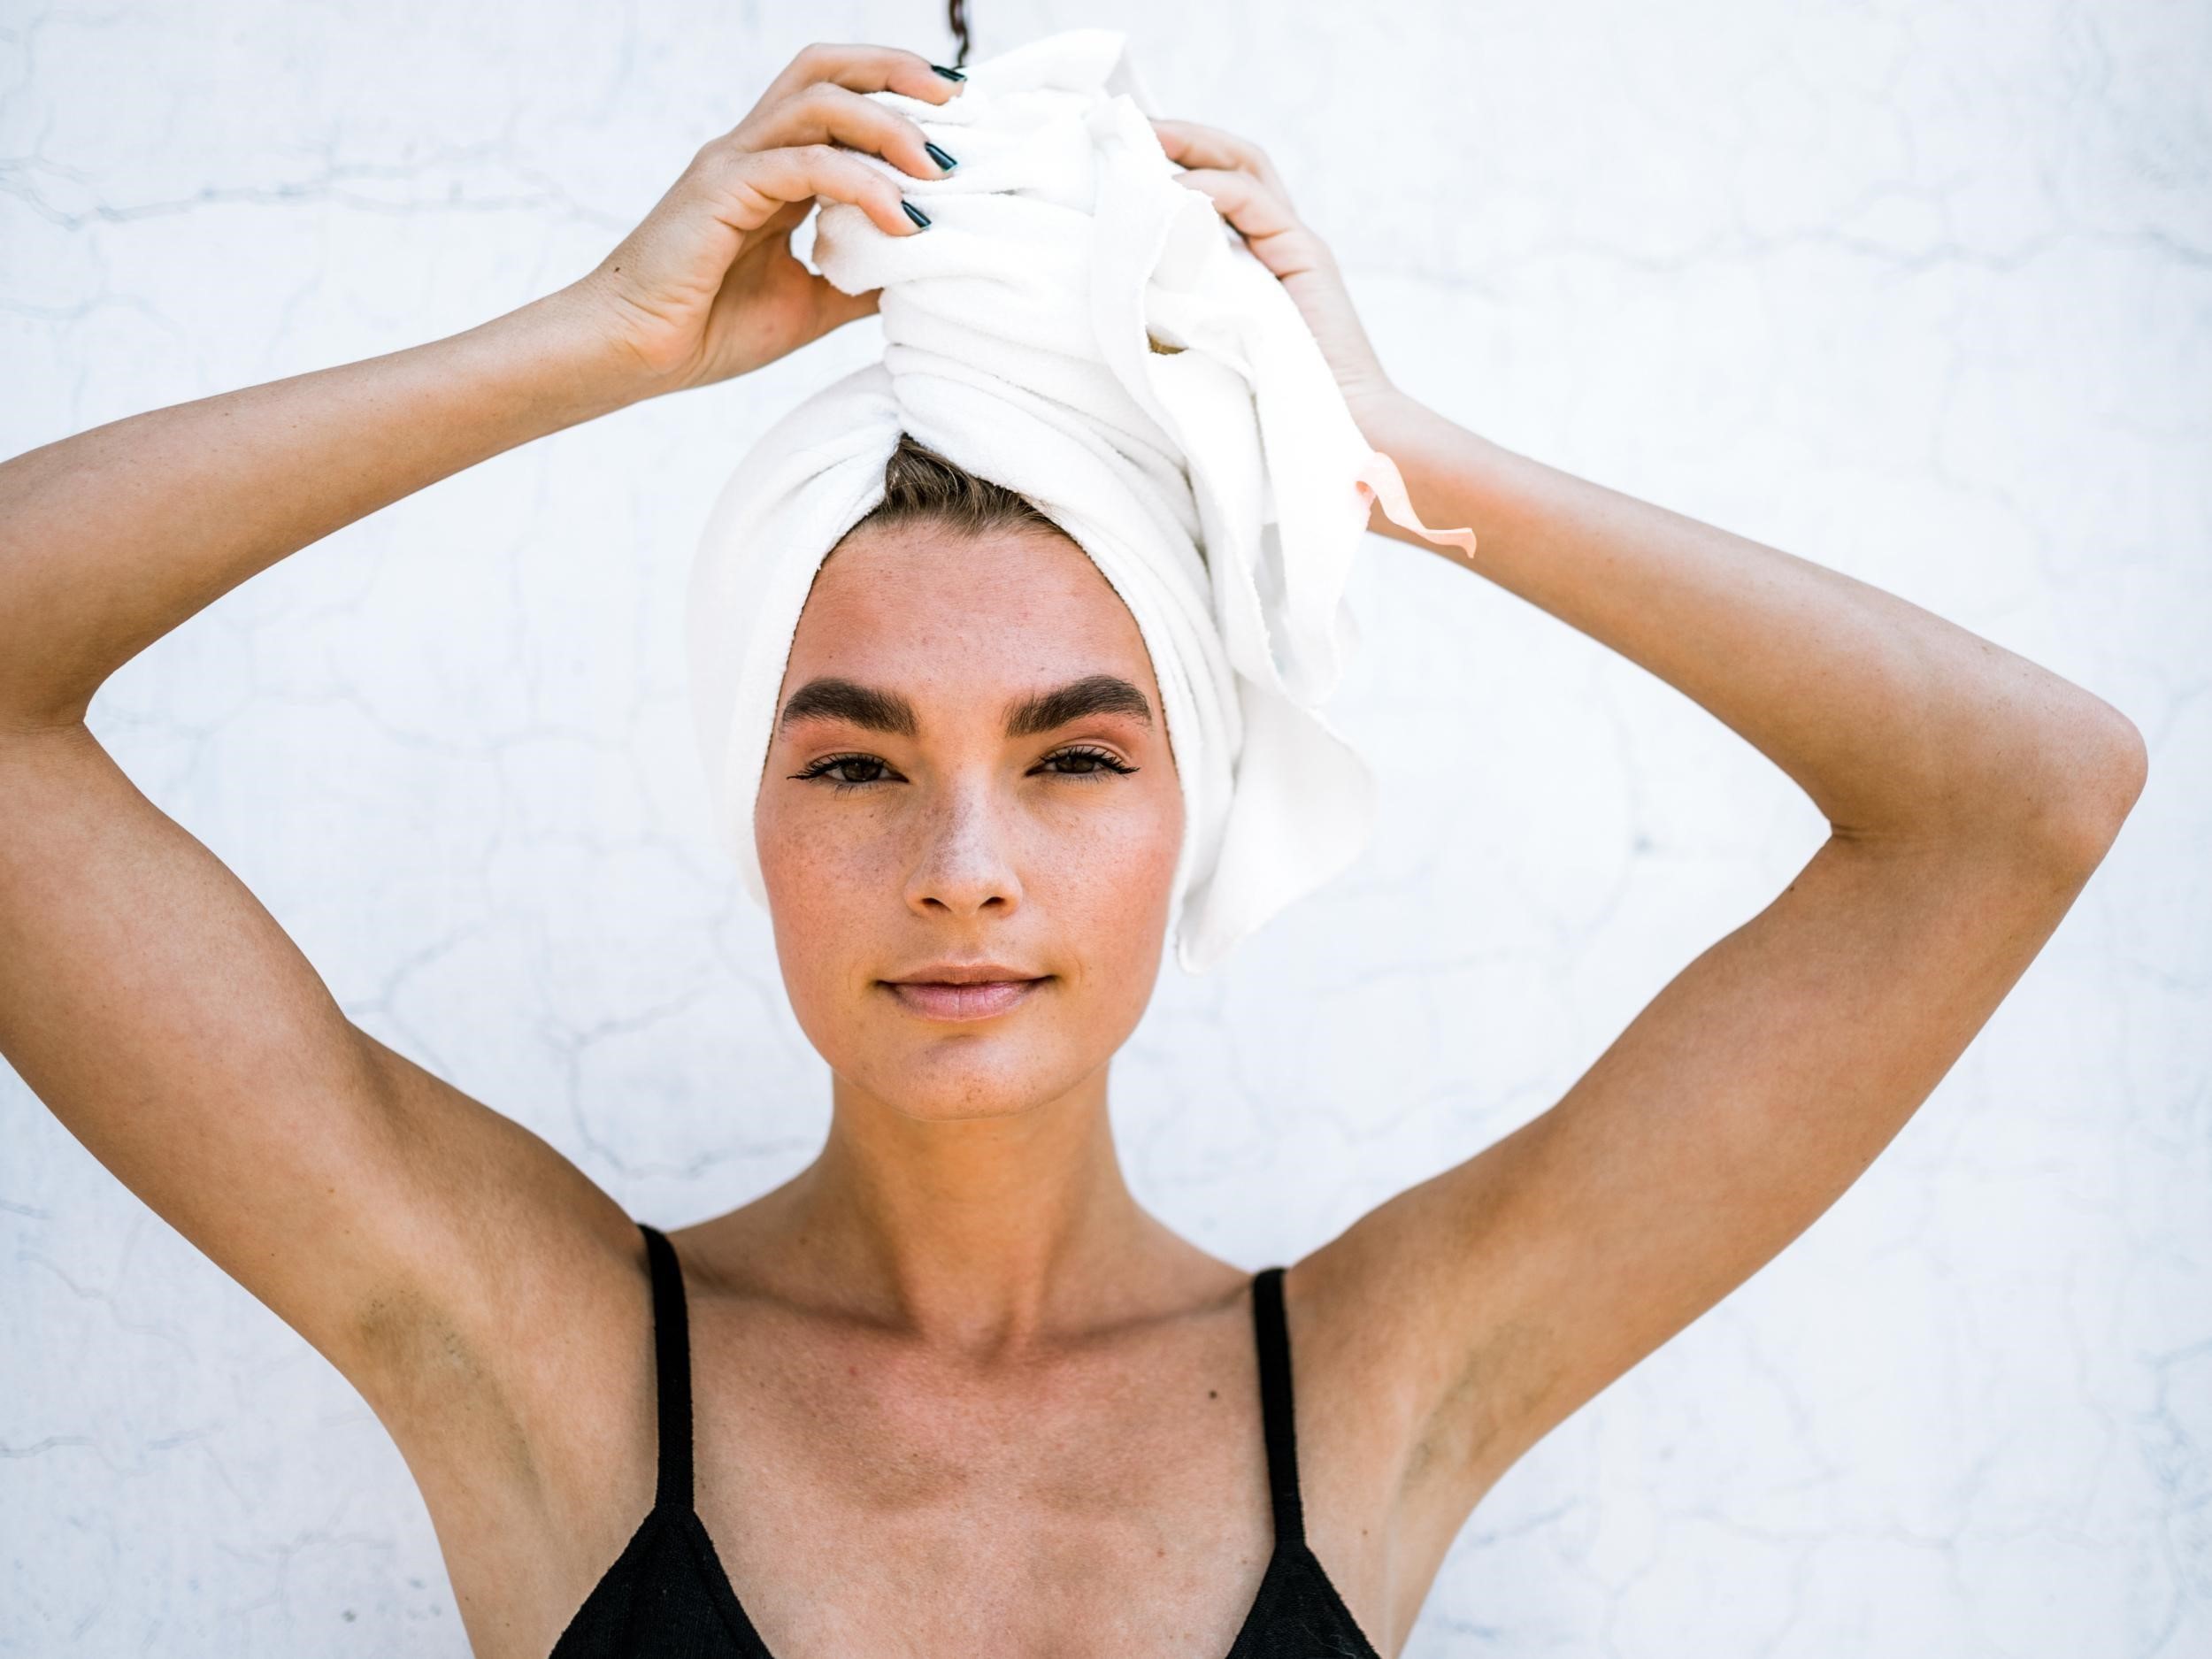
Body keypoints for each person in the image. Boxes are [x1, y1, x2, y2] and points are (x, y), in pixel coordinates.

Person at [0, 38, 2147, 1659]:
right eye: (852, 763)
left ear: (1193, 800)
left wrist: (1379, 456)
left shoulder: (1386, 1378)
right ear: (743, 804)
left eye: (1074, 756)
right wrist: (595, 341)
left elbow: (2018, 796)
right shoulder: (536, 1349)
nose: (961, 859)